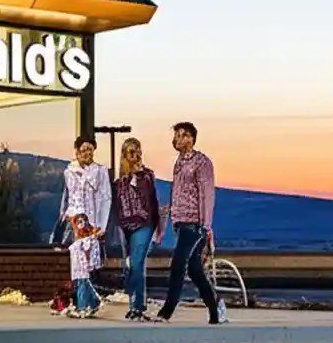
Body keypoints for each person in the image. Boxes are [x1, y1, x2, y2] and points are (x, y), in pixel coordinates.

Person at [155, 121, 224, 324]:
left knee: (177, 265)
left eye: (182, 135)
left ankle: (166, 312)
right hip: (180, 221)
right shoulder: (179, 163)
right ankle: (215, 310)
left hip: (194, 224)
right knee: (194, 270)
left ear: (191, 138)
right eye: (176, 135)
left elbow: (207, 194)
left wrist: (206, 225)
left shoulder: (202, 162)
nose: (177, 139)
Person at [56, 135, 112, 318]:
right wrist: (63, 218)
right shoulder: (69, 172)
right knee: (77, 264)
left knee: (84, 265)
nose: (87, 153)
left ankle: (86, 303)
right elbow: (67, 197)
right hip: (74, 223)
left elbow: (105, 198)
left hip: (91, 223)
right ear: (77, 151)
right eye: (83, 149)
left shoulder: (100, 172)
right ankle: (87, 303)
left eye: (90, 149)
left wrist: (102, 224)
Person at [113, 137, 161, 321]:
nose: (135, 155)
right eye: (131, 152)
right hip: (125, 225)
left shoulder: (146, 176)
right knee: (131, 265)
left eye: (138, 151)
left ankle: (138, 306)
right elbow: (116, 207)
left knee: (137, 262)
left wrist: (158, 228)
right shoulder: (119, 182)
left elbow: (153, 201)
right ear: (124, 155)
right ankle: (134, 301)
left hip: (144, 223)